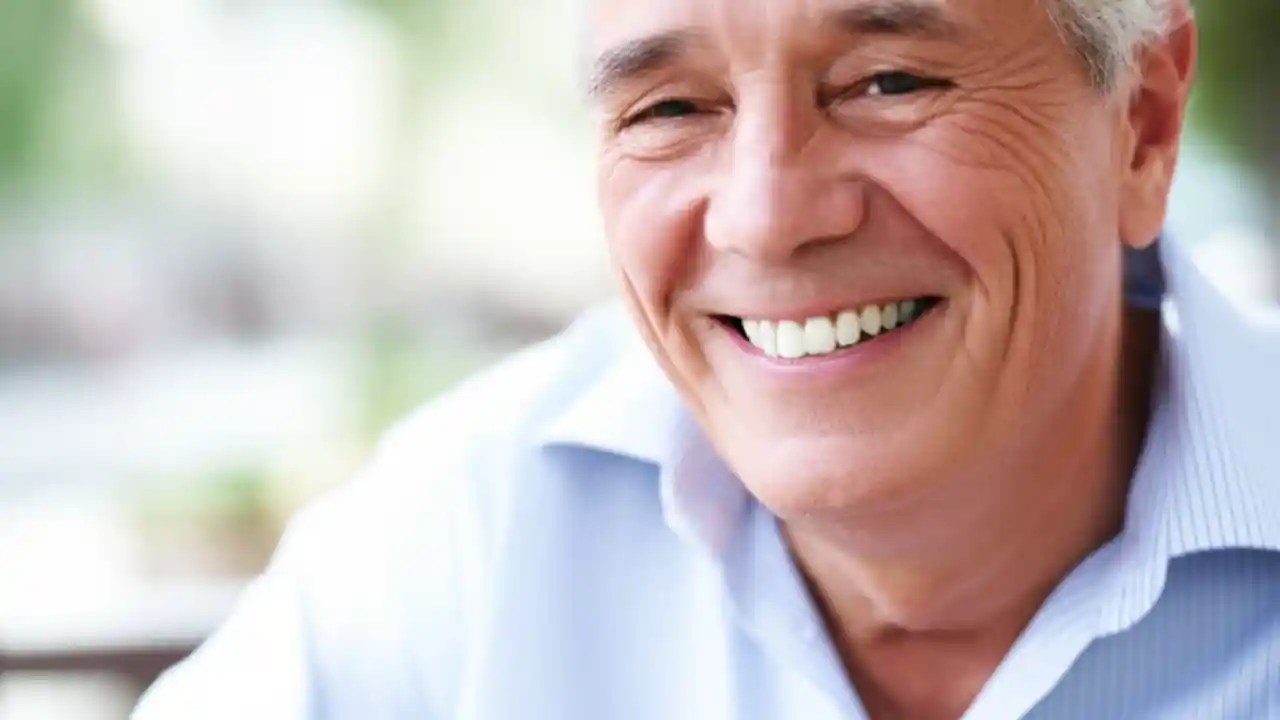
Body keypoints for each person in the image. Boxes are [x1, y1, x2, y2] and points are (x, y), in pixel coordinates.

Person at [136, 0, 1280, 717]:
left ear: (1141, 126)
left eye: (889, 82)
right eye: (671, 108)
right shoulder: (468, 537)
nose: (765, 217)